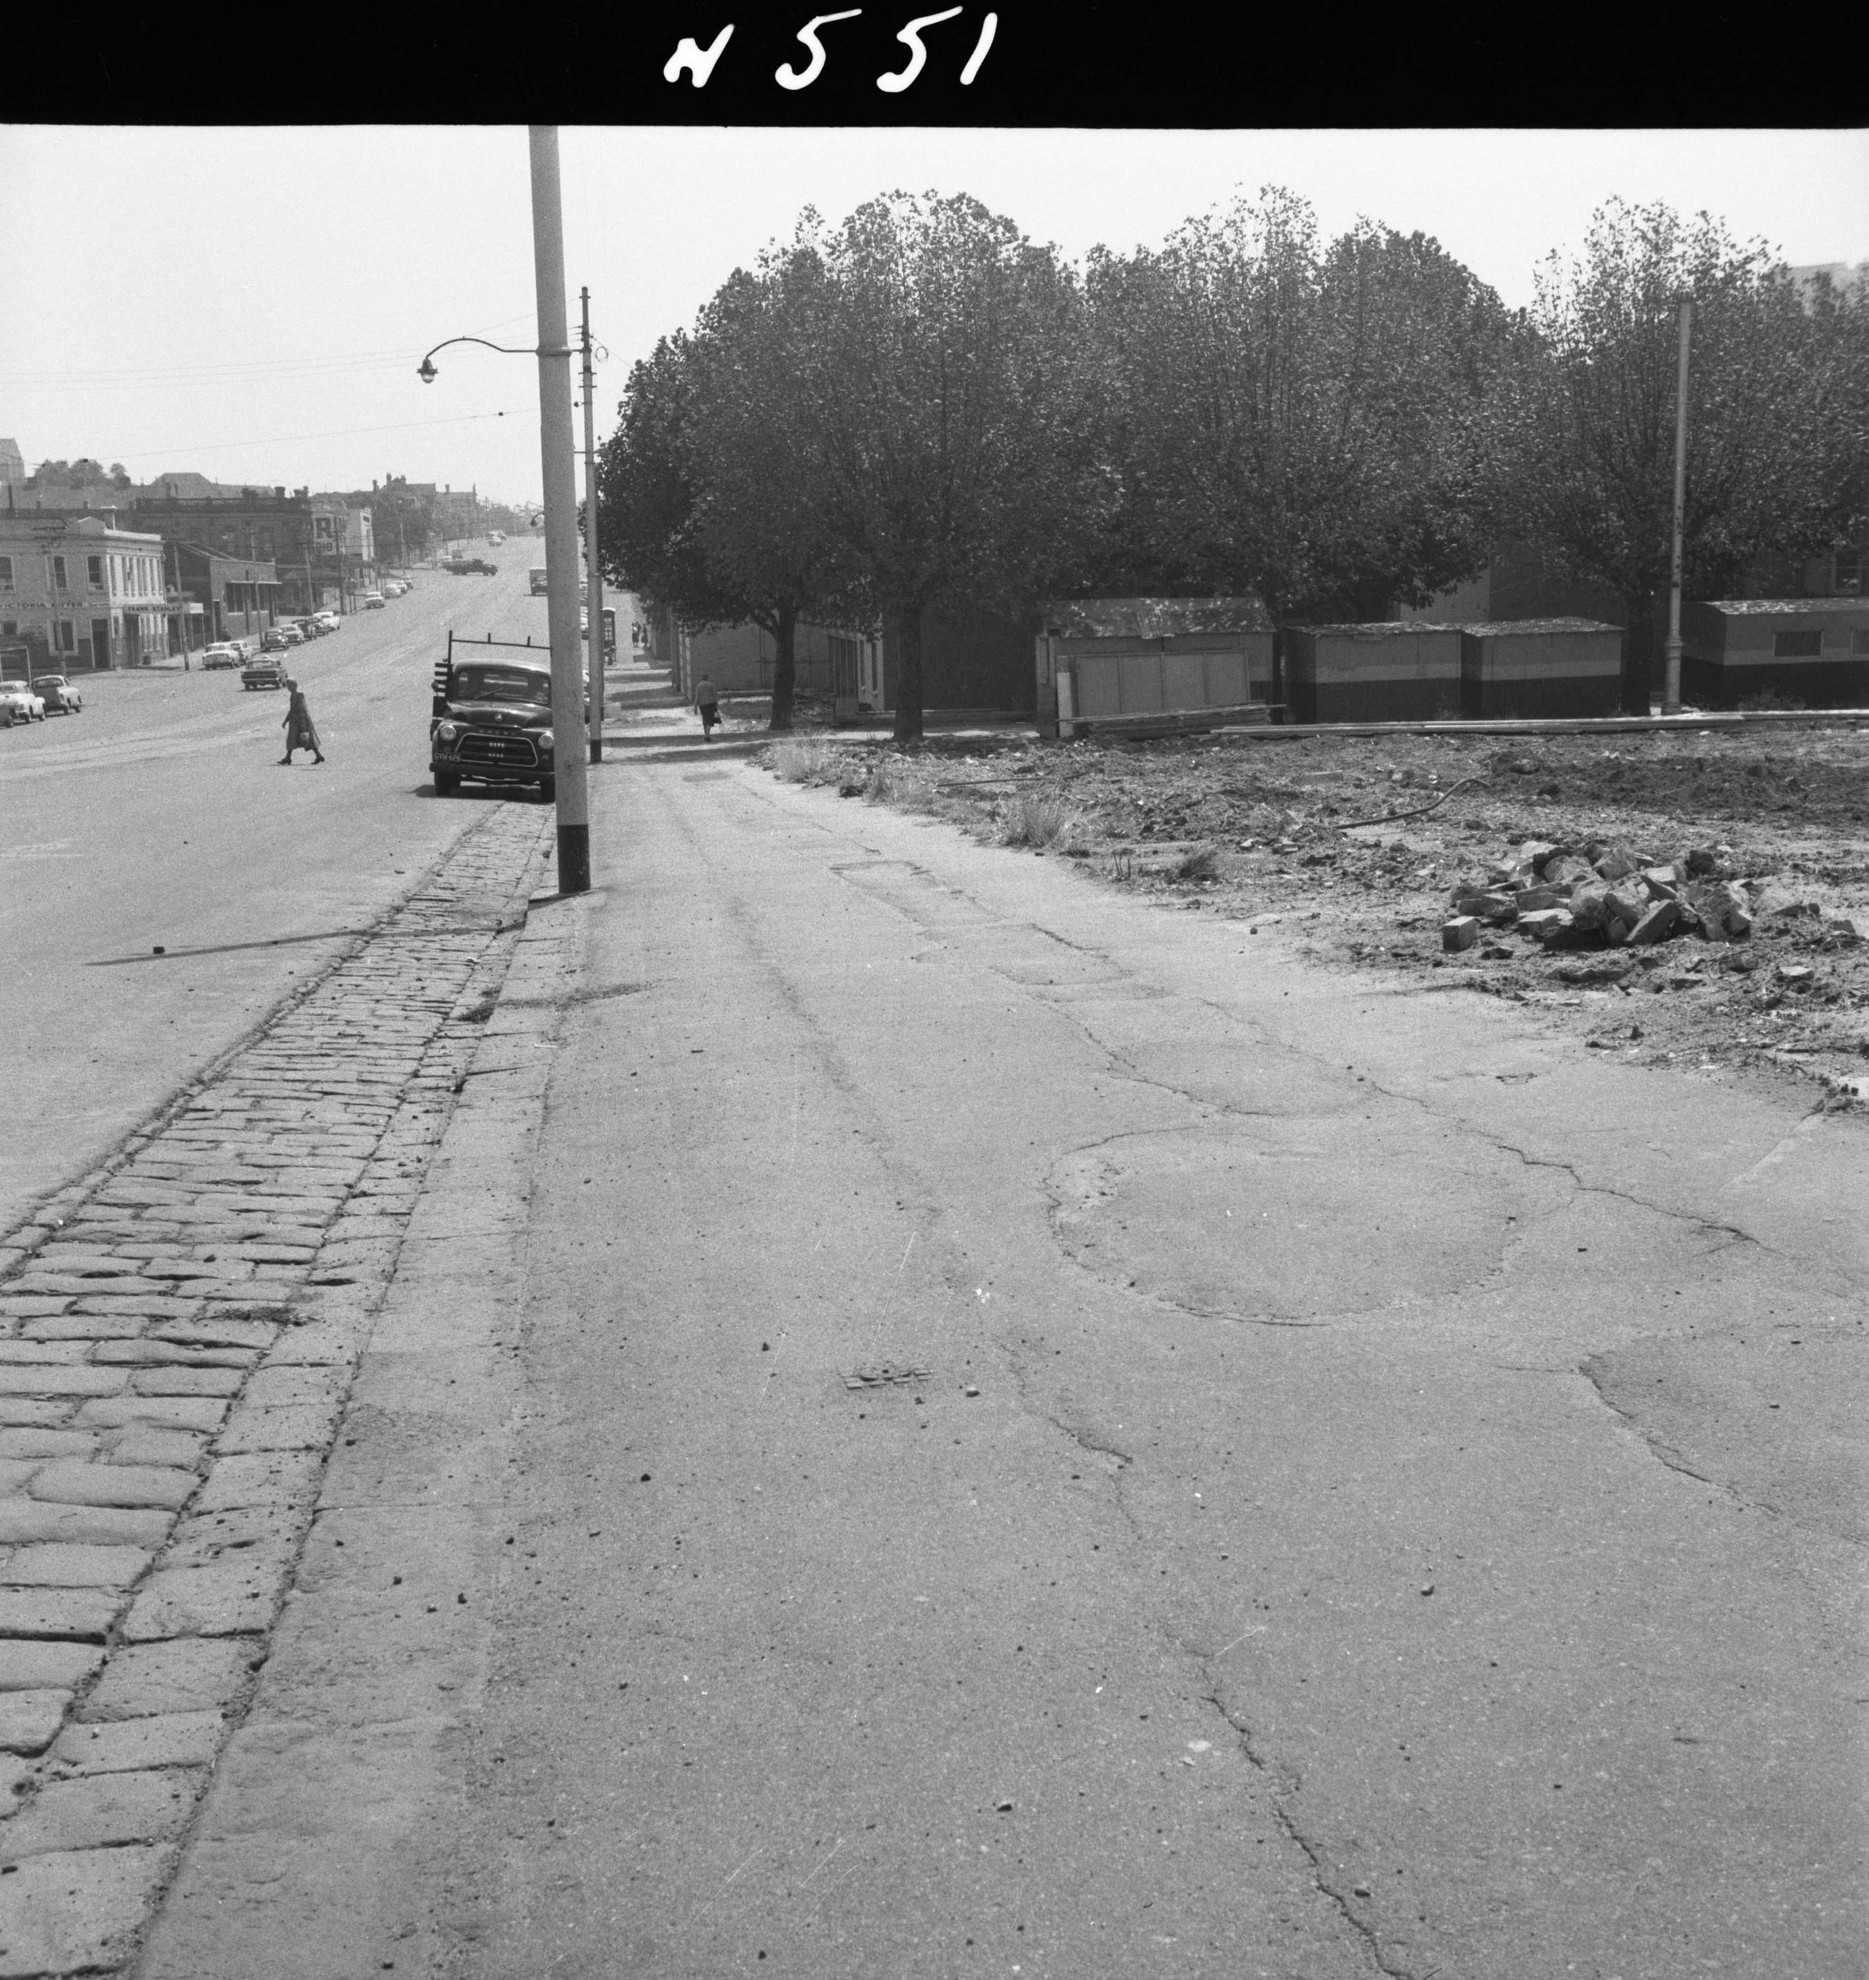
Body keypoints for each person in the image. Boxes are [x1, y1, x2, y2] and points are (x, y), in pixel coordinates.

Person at [280, 679, 324, 764]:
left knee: (308, 739)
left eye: (290, 686)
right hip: (294, 722)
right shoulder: (292, 695)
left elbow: (303, 710)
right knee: (292, 739)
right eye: (288, 686)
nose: (289, 688)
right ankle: (288, 757)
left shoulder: (299, 695)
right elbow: (292, 709)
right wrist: (286, 721)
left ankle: (318, 756)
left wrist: (302, 725)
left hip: (301, 721)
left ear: (295, 685)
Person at [695, 673, 721, 738]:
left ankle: (706, 734)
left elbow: (697, 697)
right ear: (707, 678)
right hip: (711, 704)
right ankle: (707, 735)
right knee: (709, 720)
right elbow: (715, 696)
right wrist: (716, 704)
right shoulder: (711, 685)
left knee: (704, 719)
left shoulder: (699, 686)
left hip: (702, 705)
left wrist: (695, 707)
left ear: (702, 678)